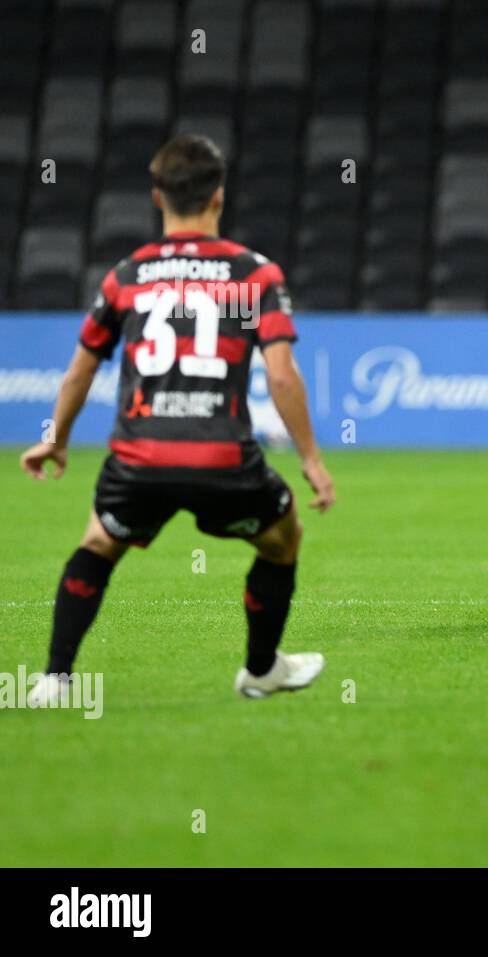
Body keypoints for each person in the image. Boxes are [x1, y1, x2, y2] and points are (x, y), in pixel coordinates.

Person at [19, 134, 336, 702]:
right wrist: (311, 459)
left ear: (157, 197)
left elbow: (78, 373)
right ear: (218, 196)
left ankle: (55, 679)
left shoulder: (127, 276)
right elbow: (283, 377)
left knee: (97, 544)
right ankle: (261, 670)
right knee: (282, 539)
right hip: (224, 457)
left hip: (140, 456)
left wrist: (56, 441)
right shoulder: (254, 275)